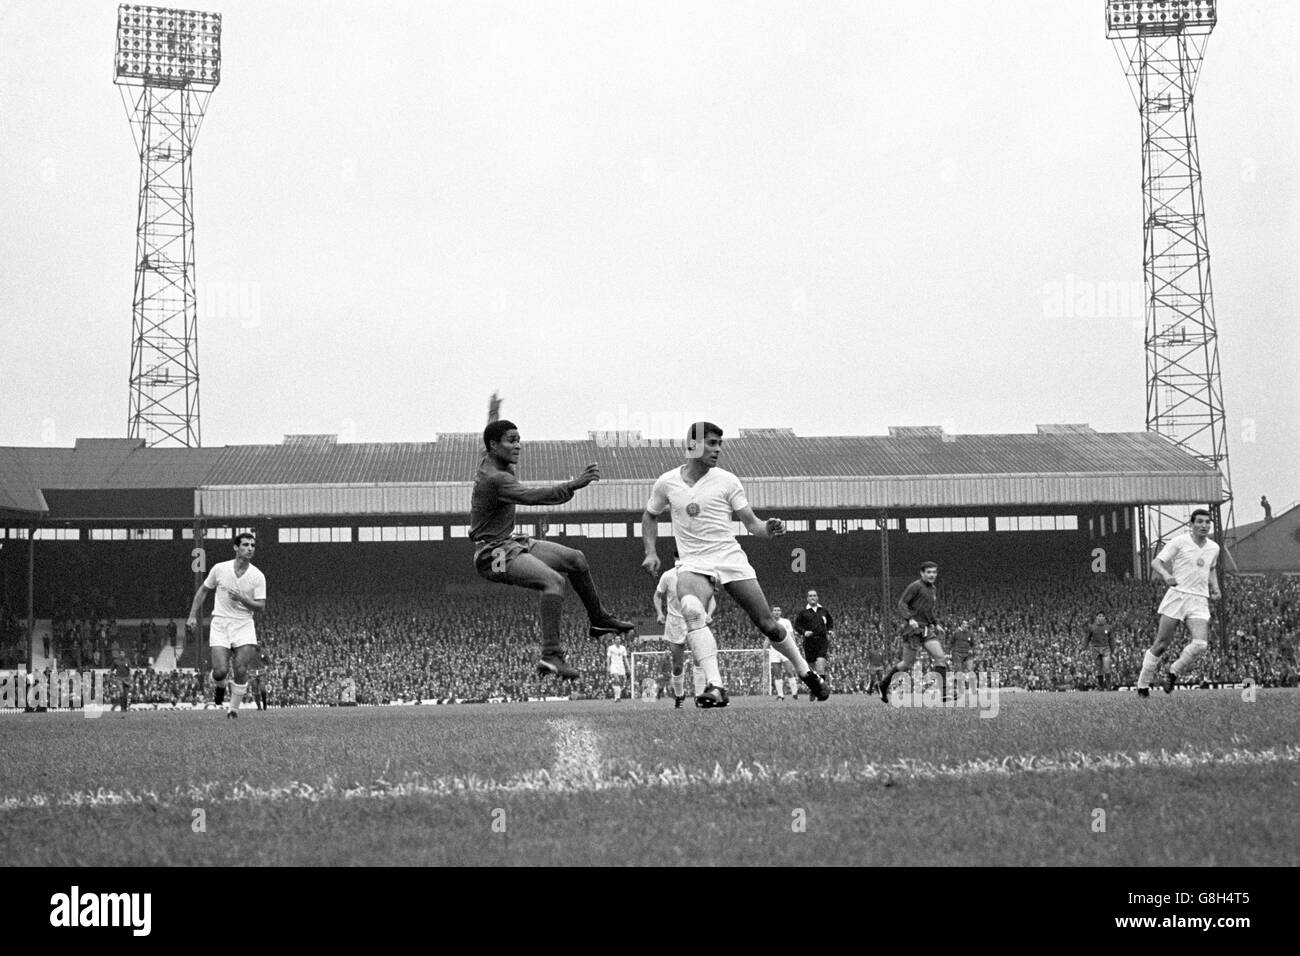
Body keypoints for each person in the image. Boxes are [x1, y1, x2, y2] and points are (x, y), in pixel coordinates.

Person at [640, 421, 829, 708]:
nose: (717, 449)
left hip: (729, 558)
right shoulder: (667, 483)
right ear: (692, 445)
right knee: (692, 609)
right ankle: (716, 686)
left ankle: (806, 672)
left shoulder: (728, 481)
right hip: (694, 562)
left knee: (768, 625)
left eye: (719, 444)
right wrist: (651, 551)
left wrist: (769, 528)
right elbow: (650, 515)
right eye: (711, 443)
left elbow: (753, 525)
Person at [470, 420, 633, 681]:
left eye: (519, 439)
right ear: (493, 445)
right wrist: (573, 485)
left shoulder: (492, 461)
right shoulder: (496, 478)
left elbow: (490, 440)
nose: (518, 446)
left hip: (510, 542)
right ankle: (551, 655)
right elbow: (532, 496)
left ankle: (599, 619)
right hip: (493, 555)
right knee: (553, 582)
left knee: (576, 559)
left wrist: (492, 413)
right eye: (511, 440)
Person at [1136, 509, 1221, 697]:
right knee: (1161, 644)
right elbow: (1156, 562)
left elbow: (1212, 567)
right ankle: (1143, 684)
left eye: (1207, 522)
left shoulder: (1214, 547)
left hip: (1199, 599)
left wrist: (1215, 587)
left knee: (1200, 644)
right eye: (1199, 522)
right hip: (1178, 596)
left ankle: (1172, 672)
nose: (1204, 525)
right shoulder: (1179, 541)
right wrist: (1166, 575)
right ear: (1191, 524)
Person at [186, 531, 267, 719]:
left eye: (252, 546)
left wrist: (243, 599)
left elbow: (261, 606)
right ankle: (220, 685)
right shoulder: (220, 569)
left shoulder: (257, 576)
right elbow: (204, 590)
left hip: (244, 624)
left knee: (240, 669)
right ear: (236, 547)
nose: (250, 549)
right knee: (221, 671)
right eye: (246, 545)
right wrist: (192, 615)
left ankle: (233, 710)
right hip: (221, 623)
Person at [881, 561, 948, 704]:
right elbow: (901, 604)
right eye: (929, 572)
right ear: (922, 573)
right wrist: (909, 619)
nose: (932, 575)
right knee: (906, 664)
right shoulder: (915, 586)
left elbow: (927, 610)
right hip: (912, 630)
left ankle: (943, 692)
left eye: (934, 572)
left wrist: (935, 624)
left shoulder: (933, 589)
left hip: (926, 629)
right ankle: (883, 685)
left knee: (940, 657)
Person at [653, 560, 717, 708]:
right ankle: (680, 696)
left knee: (698, 660)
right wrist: (659, 613)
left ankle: (699, 696)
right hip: (675, 623)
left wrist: (709, 614)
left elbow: (712, 598)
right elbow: (657, 596)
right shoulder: (668, 576)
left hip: (696, 620)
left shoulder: (699, 575)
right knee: (677, 665)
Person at [794, 589, 834, 695]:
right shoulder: (803, 612)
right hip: (809, 642)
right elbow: (797, 625)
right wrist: (804, 632)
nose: (812, 597)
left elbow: (830, 622)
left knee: (820, 665)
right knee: (811, 669)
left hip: (822, 640)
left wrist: (830, 630)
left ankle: (821, 691)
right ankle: (814, 689)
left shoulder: (823, 611)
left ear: (817, 597)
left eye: (814, 595)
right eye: (810, 596)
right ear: (807, 598)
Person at [769, 605, 799, 700]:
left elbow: (791, 635)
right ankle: (780, 695)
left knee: (789, 671)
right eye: (775, 610)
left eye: (778, 610)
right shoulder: (769, 623)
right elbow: (767, 637)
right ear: (772, 612)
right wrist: (764, 649)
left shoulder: (786, 622)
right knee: (777, 673)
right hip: (774, 651)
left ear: (781, 612)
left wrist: (794, 647)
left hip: (785, 649)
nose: (777, 612)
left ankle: (794, 693)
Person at [1084, 612, 1115, 691]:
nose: (1101, 617)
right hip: (1095, 649)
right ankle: (1101, 687)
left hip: (1106, 649)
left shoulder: (1108, 627)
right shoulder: (1092, 627)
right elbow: (1087, 638)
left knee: (1107, 667)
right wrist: (1084, 647)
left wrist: (1113, 650)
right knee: (1099, 669)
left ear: (1105, 618)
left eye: (1102, 616)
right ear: (1096, 617)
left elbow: (1111, 639)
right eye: (1099, 616)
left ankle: (1108, 687)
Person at [950, 619, 978, 698]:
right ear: (961, 625)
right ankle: (956, 690)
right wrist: (950, 652)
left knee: (970, 670)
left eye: (967, 624)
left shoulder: (970, 634)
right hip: (958, 654)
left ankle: (974, 689)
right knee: (958, 671)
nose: (966, 625)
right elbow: (951, 642)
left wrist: (972, 649)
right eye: (965, 624)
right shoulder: (956, 633)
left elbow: (973, 644)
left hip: (967, 654)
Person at [606, 636, 629, 700]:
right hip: (614, 665)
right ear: (614, 640)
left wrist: (628, 667)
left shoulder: (623, 648)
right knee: (617, 680)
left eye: (619, 639)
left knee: (621, 681)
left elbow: (625, 658)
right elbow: (608, 658)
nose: (618, 640)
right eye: (617, 639)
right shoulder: (611, 648)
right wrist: (608, 666)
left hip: (621, 666)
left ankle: (617, 695)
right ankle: (617, 697)